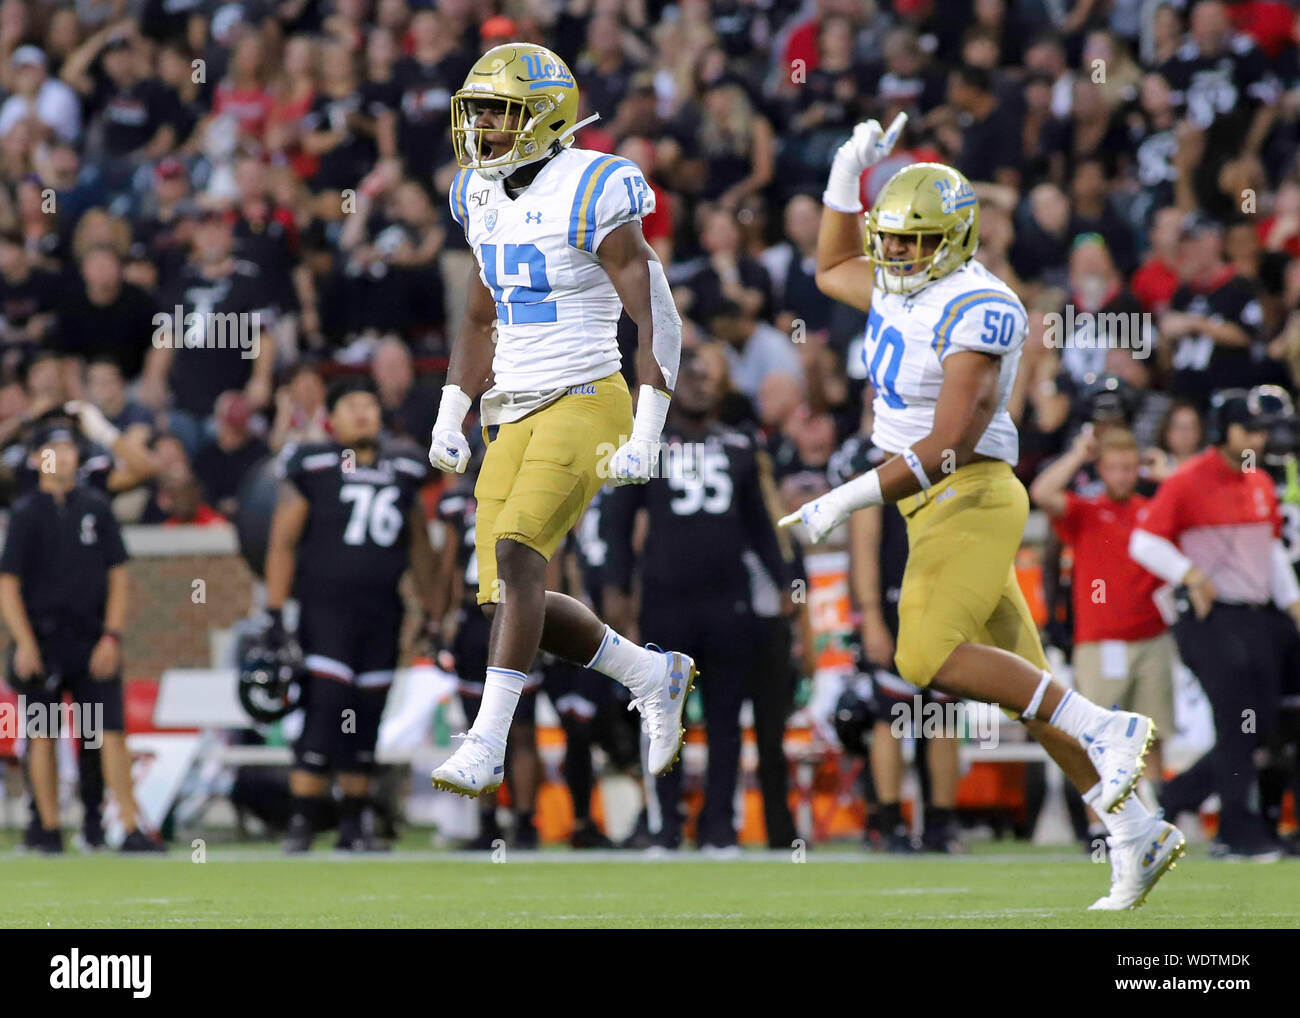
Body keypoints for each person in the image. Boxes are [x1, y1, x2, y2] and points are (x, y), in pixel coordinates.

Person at [779, 117, 1183, 910]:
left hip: (969, 492)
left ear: (956, 240)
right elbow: (830, 265)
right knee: (1025, 694)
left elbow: (950, 442)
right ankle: (1135, 829)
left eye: (912, 242)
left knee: (922, 657)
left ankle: (1106, 727)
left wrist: (846, 495)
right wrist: (843, 171)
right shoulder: (904, 282)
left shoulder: (979, 303)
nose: (893, 256)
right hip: (929, 505)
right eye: (887, 239)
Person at [425, 44, 692, 798]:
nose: (481, 125)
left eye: (498, 111)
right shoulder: (475, 192)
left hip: (587, 395)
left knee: (516, 553)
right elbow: (480, 315)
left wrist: (647, 428)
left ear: (544, 117)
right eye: (475, 109)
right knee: (507, 595)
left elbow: (656, 314)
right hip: (509, 411)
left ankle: (487, 741)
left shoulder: (596, 185)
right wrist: (453, 409)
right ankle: (651, 672)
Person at [602, 350, 802, 852]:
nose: (698, 383)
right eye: (687, 375)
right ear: (670, 387)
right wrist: (617, 591)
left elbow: (761, 525)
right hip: (665, 602)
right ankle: (665, 827)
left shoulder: (739, 443)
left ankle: (719, 828)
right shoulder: (646, 444)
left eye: (705, 376)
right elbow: (618, 524)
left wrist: (785, 583)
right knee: (663, 715)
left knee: (725, 721)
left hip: (727, 603)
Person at [261, 376, 439, 852]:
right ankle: (302, 821)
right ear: (332, 418)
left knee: (367, 713)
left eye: (369, 404)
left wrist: (435, 611)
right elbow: (283, 540)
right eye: (351, 404)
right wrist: (275, 613)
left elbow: (420, 547)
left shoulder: (404, 467)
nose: (362, 412)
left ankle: (353, 824)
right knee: (327, 706)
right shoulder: (314, 464)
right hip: (326, 609)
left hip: (382, 612)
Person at [1129, 386, 1300, 861]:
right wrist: (1190, 573)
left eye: (1261, 432)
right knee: (1237, 723)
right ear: (1225, 431)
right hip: (1208, 618)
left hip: (1254, 618)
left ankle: (1176, 797)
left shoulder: (1260, 483)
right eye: (1249, 431)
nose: (1258, 441)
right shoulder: (1188, 480)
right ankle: (1234, 832)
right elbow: (1143, 542)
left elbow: (1270, 553)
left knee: (1260, 725)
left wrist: (1294, 605)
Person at [0, 424, 160, 853]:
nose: (63, 457)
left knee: (109, 731)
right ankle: (49, 828)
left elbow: (119, 575)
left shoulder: (96, 506)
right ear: (35, 460)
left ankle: (127, 826)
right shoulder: (26, 512)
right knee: (43, 734)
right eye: (52, 449)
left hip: (91, 640)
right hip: (44, 641)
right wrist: (25, 643)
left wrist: (112, 636)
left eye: (69, 449)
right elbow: (8, 584)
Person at [1031, 427, 1175, 844]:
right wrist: (1077, 453)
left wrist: (1167, 478)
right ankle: (1100, 828)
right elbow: (1041, 492)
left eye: (1130, 467)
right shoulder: (1086, 511)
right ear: (1101, 469)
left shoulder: (1153, 508)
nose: (1123, 476)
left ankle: (1152, 822)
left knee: (1152, 737)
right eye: (1114, 468)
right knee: (1097, 741)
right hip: (1098, 640)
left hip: (1150, 637)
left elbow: (1191, 509)